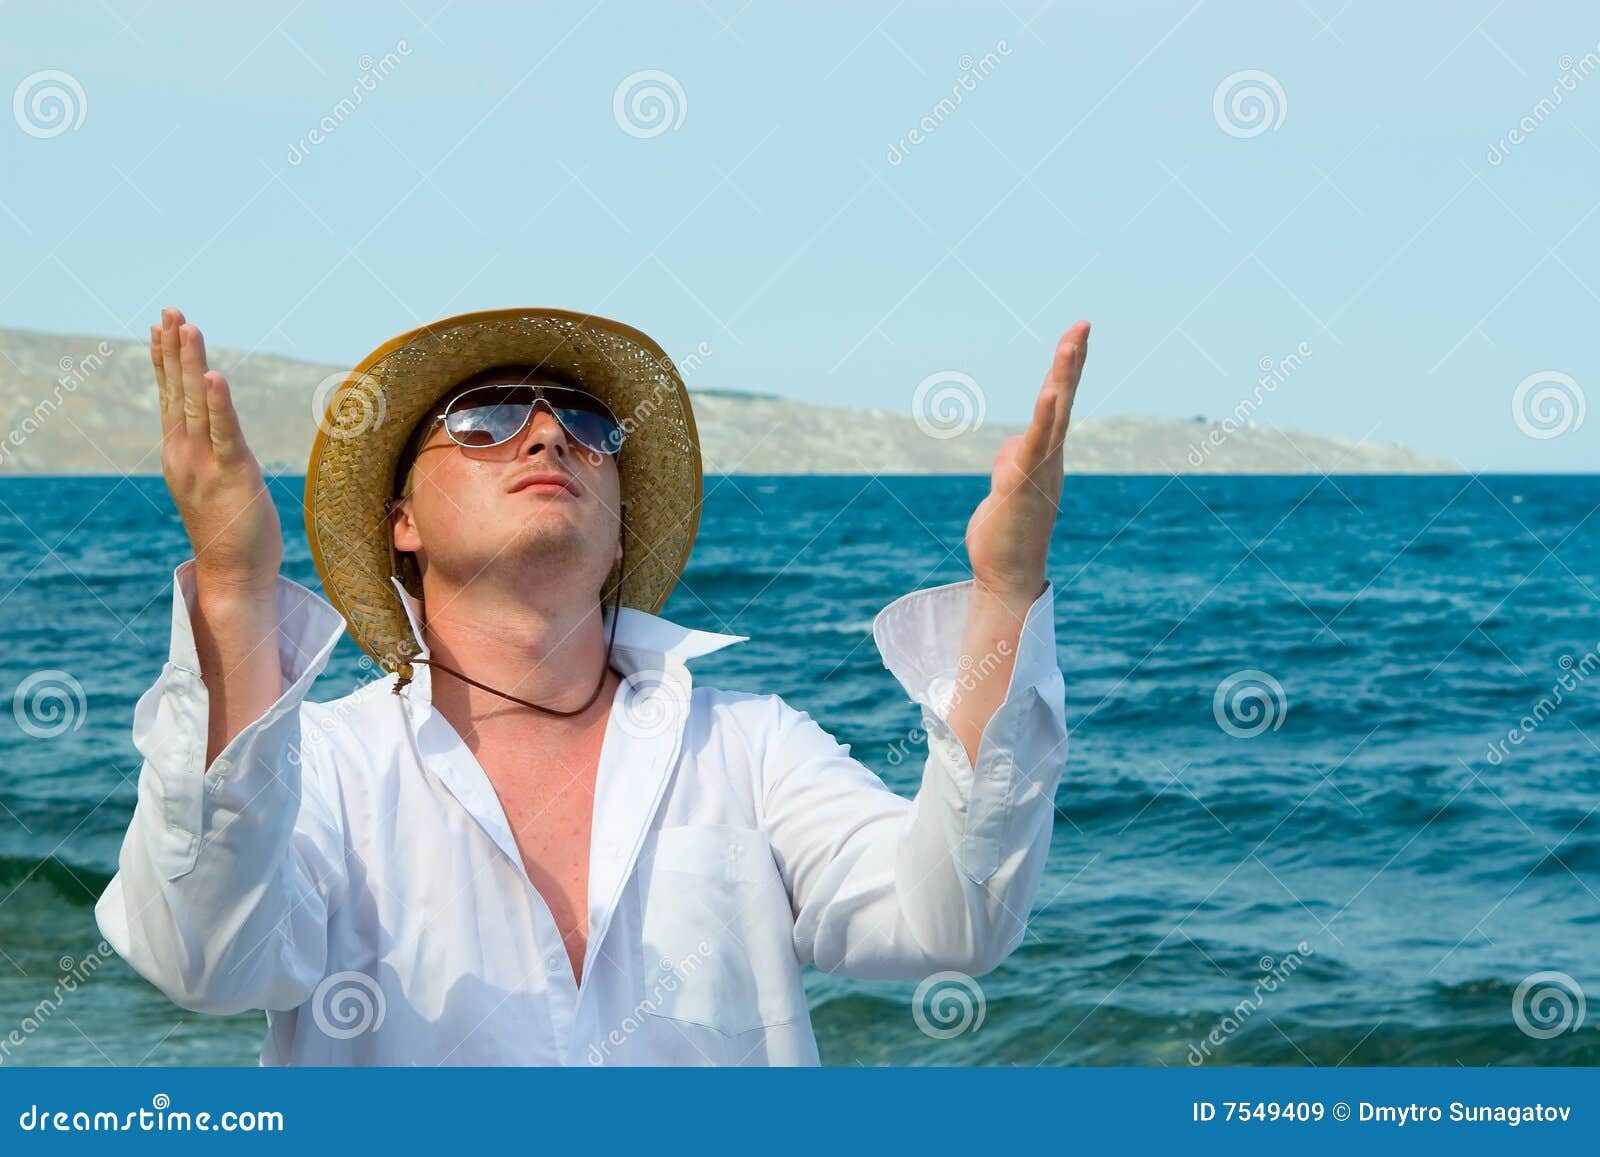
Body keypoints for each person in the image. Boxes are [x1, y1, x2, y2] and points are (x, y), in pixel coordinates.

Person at [95, 305, 1088, 1066]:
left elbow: (951, 915)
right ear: (402, 519)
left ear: (617, 528)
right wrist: (233, 584)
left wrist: (1003, 594)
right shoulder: (330, 772)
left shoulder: (750, 744)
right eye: (481, 420)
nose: (544, 435)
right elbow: (206, 956)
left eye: (584, 421)